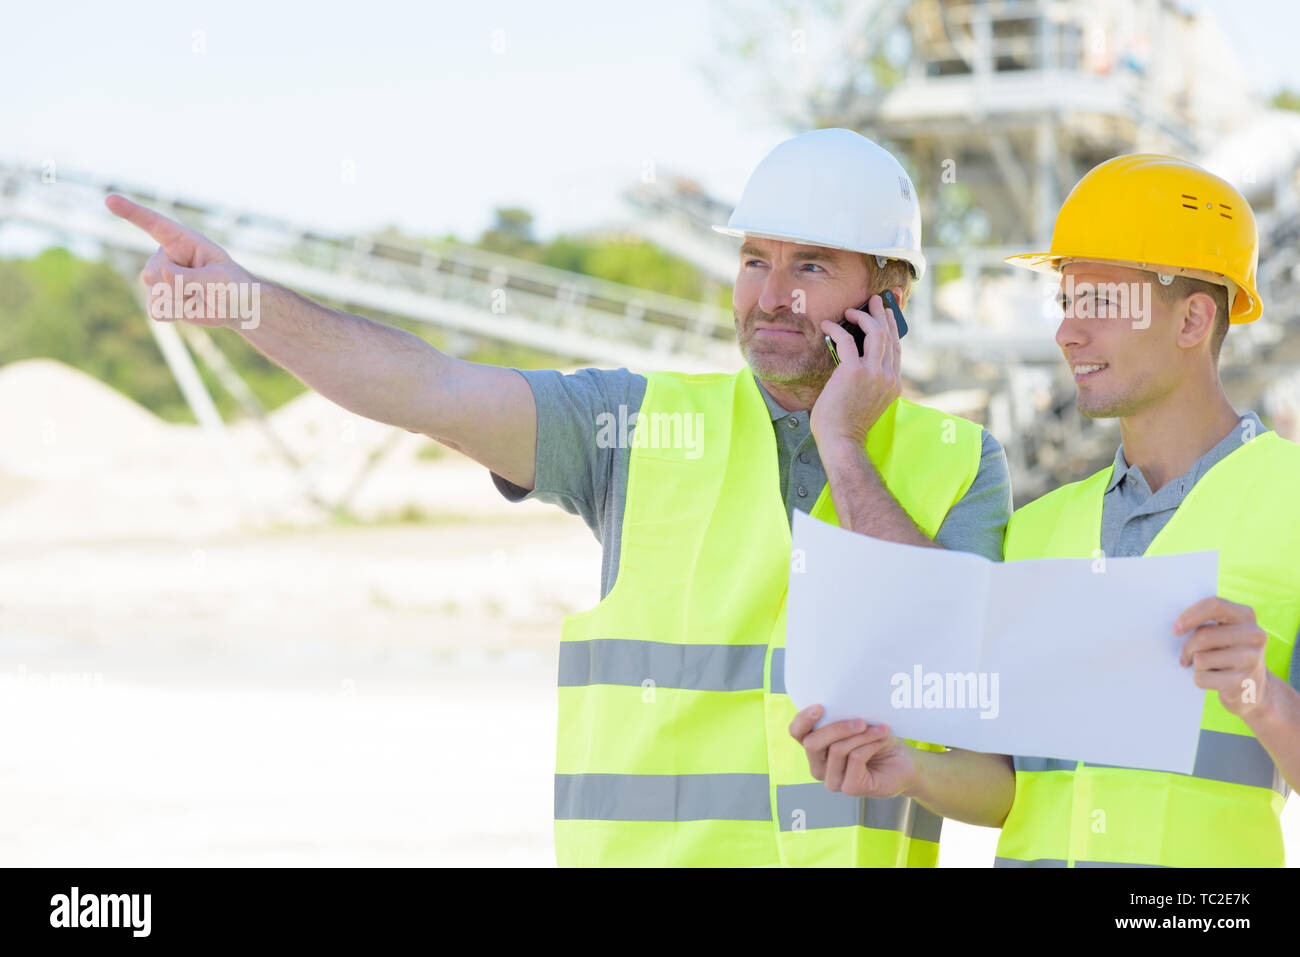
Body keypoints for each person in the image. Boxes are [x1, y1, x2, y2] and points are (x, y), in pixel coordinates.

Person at [106, 127, 1011, 867]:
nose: (769, 297)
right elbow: (433, 390)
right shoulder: (635, 420)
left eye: (810, 267)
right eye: (752, 261)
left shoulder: (961, 463)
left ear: (886, 300)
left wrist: (845, 448)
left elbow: (967, 696)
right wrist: (246, 304)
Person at [789, 153, 1300, 867]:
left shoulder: (1291, 504)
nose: (1066, 332)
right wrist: (912, 769)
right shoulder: (1038, 528)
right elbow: (1012, 785)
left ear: (1192, 319)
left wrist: (1262, 693)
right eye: (1067, 303)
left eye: (1100, 305)